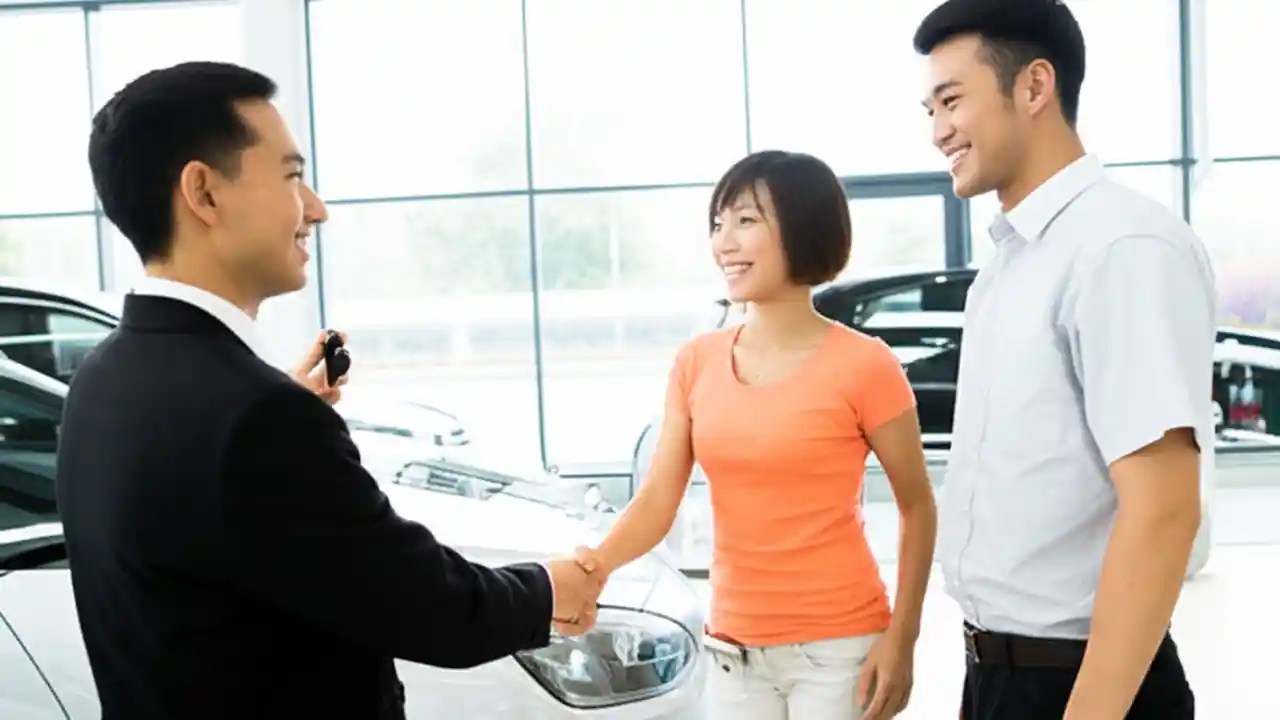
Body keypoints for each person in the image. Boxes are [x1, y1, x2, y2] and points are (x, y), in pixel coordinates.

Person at [55, 61, 602, 720]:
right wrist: (549, 590)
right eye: (291, 176)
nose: (316, 209)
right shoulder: (254, 419)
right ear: (203, 192)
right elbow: (428, 607)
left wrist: (271, 425)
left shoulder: (104, 379)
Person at [913, 1, 1213, 718]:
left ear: (1034, 86)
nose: (937, 131)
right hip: (998, 673)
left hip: (1080, 684)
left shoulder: (1120, 248)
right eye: (928, 108)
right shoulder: (1011, 264)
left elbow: (1164, 508)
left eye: (951, 101)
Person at [575, 150, 938, 720]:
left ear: (802, 226)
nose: (724, 242)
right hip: (732, 650)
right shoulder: (696, 361)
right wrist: (591, 569)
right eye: (718, 224)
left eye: (745, 221)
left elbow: (917, 505)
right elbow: (656, 501)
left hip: (838, 647)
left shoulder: (867, 365)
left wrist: (904, 638)